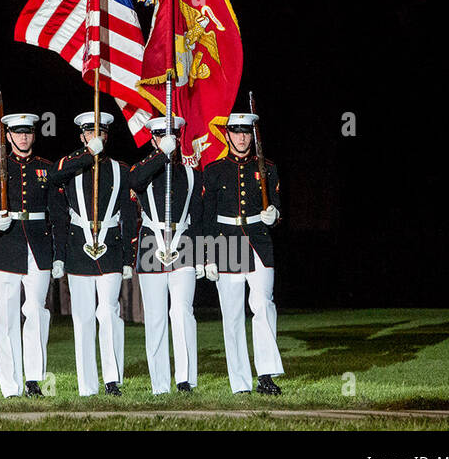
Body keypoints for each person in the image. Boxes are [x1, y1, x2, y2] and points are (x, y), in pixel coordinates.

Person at [49, 111, 139, 397]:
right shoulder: (70, 165)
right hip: (78, 247)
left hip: (111, 247)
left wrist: (128, 257)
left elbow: (128, 214)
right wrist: (59, 254)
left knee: (110, 312)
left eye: (100, 133)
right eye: (89, 132)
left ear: (107, 136)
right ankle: (87, 384)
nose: (95, 137)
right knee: (83, 316)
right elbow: (54, 181)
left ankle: (113, 379)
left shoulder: (121, 169)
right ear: (81, 136)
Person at [202, 112, 285, 395]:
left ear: (252, 135)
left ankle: (266, 374)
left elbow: (276, 209)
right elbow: (207, 217)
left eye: (246, 132)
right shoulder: (213, 170)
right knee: (233, 315)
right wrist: (208, 255)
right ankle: (240, 382)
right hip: (227, 243)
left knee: (263, 305)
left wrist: (273, 215)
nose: (242, 137)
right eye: (236, 132)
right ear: (227, 135)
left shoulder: (268, 167)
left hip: (258, 243)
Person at [0, 112, 60, 398]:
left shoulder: (46, 168)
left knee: (37, 312)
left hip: (38, 245)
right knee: (7, 317)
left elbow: (56, 211)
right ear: (8, 136)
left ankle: (34, 380)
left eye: (28, 132)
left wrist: (58, 252)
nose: (23, 137)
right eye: (18, 132)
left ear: (34, 135)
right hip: (6, 245)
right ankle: (10, 385)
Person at [129, 114, 204, 395]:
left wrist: (202, 256)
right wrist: (161, 155)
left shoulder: (191, 174)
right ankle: (159, 383)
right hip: (151, 244)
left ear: (179, 137)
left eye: (171, 136)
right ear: (153, 140)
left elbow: (197, 218)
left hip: (183, 243)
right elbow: (133, 179)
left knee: (183, 312)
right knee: (156, 317)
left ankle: (186, 379)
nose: (166, 140)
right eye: (160, 136)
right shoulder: (145, 170)